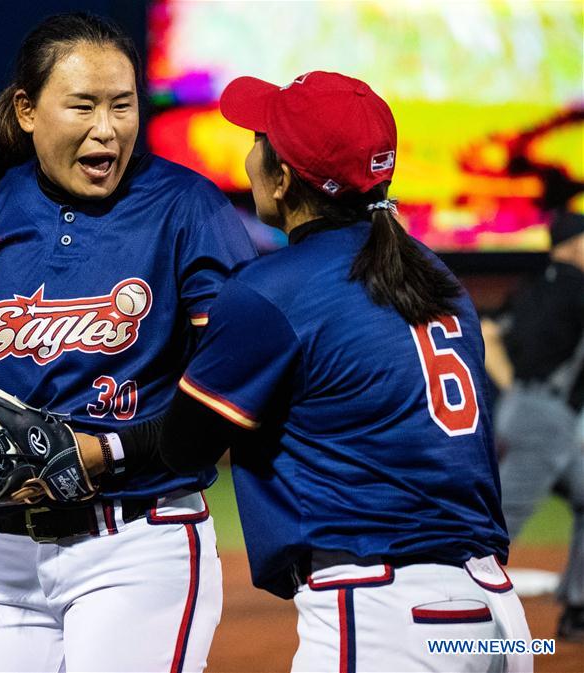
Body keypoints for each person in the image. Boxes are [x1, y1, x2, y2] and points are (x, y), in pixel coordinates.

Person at [0, 12, 255, 673]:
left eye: (122, 105)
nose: (107, 127)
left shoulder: (186, 209)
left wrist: (104, 450)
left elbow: (222, 394)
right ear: (27, 111)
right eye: (83, 106)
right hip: (1, 557)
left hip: (138, 541)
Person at [105, 71, 532, 672]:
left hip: (383, 614)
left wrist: (100, 446)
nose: (250, 157)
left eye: (258, 141)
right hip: (496, 617)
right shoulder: (436, 277)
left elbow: (184, 446)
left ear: (282, 178)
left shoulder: (275, 290)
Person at [482, 210, 584, 642]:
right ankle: (446, 603)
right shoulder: (580, 288)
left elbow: (487, 332)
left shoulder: (529, 288)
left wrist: (515, 389)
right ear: (576, 244)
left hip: (519, 408)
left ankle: (578, 608)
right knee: (499, 523)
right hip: (547, 419)